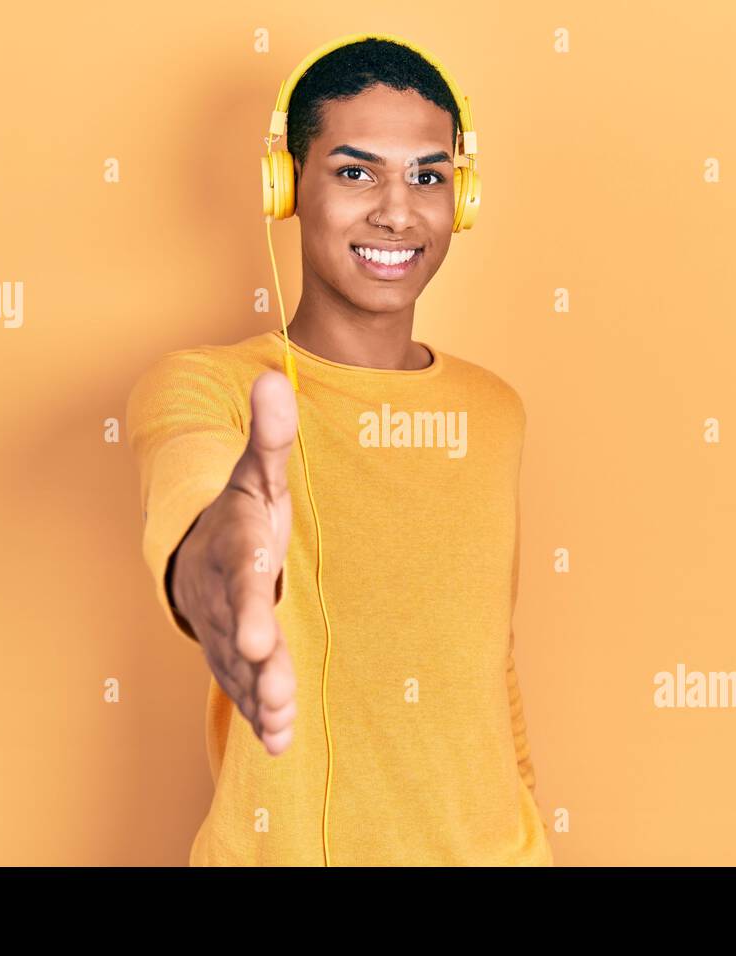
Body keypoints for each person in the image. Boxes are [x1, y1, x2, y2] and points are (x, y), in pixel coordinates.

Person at [126, 35, 552, 866]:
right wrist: (220, 567)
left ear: (459, 198)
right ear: (285, 186)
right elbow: (195, 505)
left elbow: (487, 666)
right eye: (356, 172)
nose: (398, 211)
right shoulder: (205, 387)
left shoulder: (494, 411)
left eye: (428, 176)